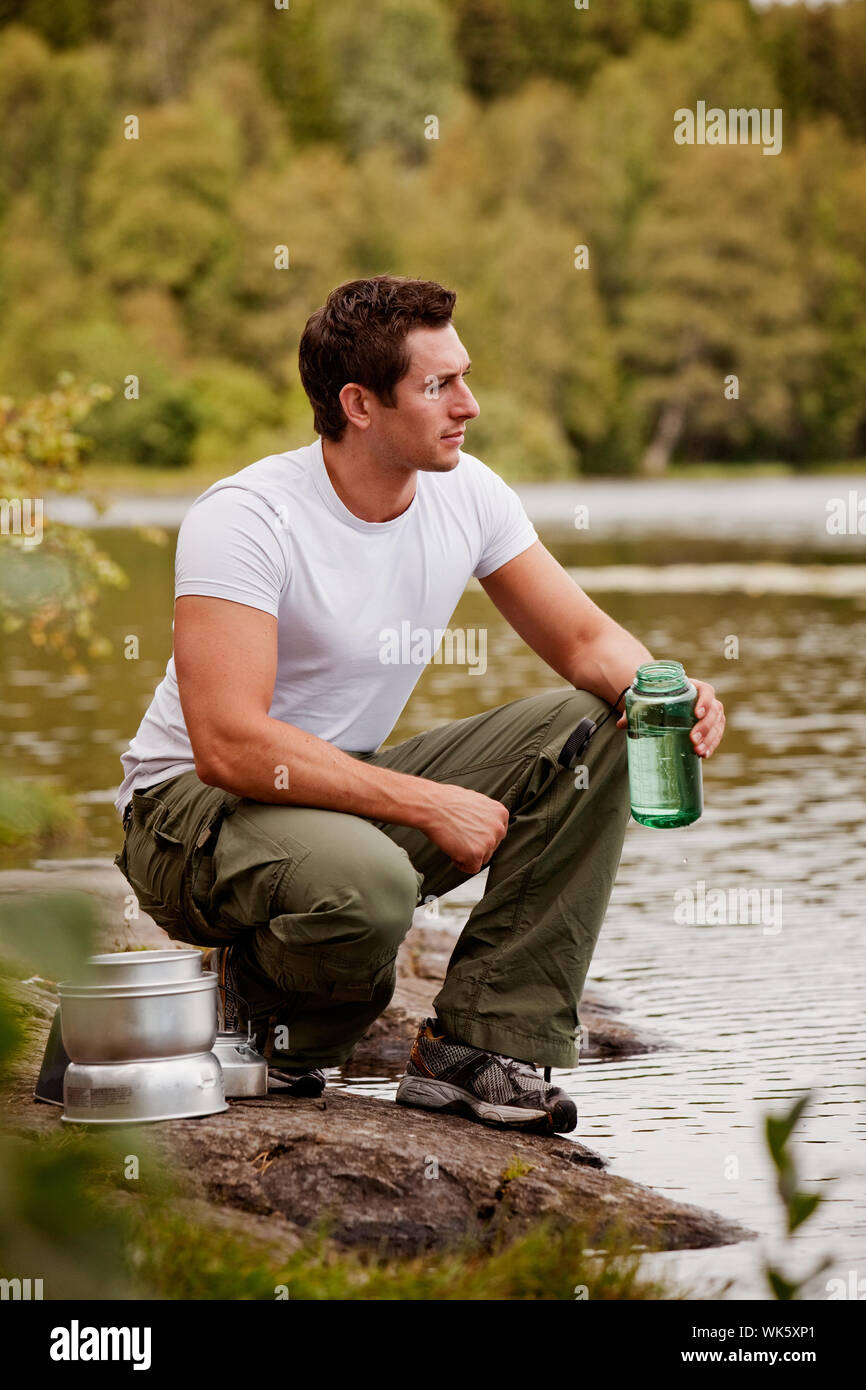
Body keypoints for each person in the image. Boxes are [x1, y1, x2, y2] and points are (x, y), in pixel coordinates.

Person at [113, 275, 725, 1135]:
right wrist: (426, 801)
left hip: (330, 794)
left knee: (602, 725)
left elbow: (588, 644)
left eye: (464, 376)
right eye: (439, 386)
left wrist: (668, 690)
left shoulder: (467, 492)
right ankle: (256, 1016)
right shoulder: (247, 517)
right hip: (192, 814)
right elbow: (228, 744)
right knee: (368, 888)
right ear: (359, 403)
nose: (468, 405)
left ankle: (478, 1049)